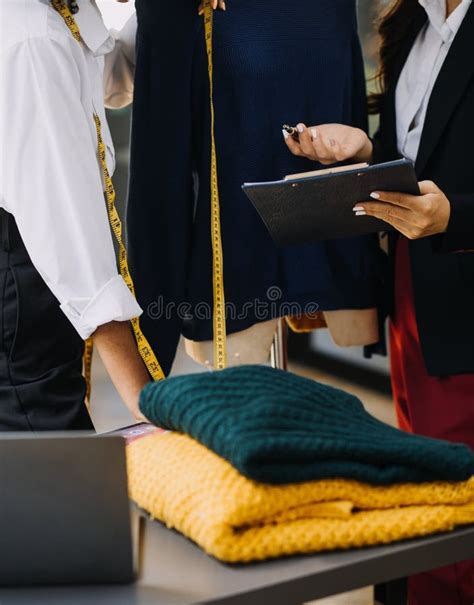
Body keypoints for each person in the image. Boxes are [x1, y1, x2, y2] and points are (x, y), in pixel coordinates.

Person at [285, 0, 474, 603]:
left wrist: (455, 217)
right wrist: (365, 151)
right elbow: (414, 157)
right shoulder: (407, 24)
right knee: (428, 483)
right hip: (415, 296)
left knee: (459, 506)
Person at [125, 0, 383, 375]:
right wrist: (150, 349)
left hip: (336, 259)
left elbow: (350, 106)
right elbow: (160, 181)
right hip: (230, 277)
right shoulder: (181, 7)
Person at [0, 0, 156, 431]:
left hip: (36, 277)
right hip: (24, 286)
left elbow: (113, 77)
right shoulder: (32, 35)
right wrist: (143, 401)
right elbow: (69, 232)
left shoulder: (60, 14)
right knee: (56, 476)